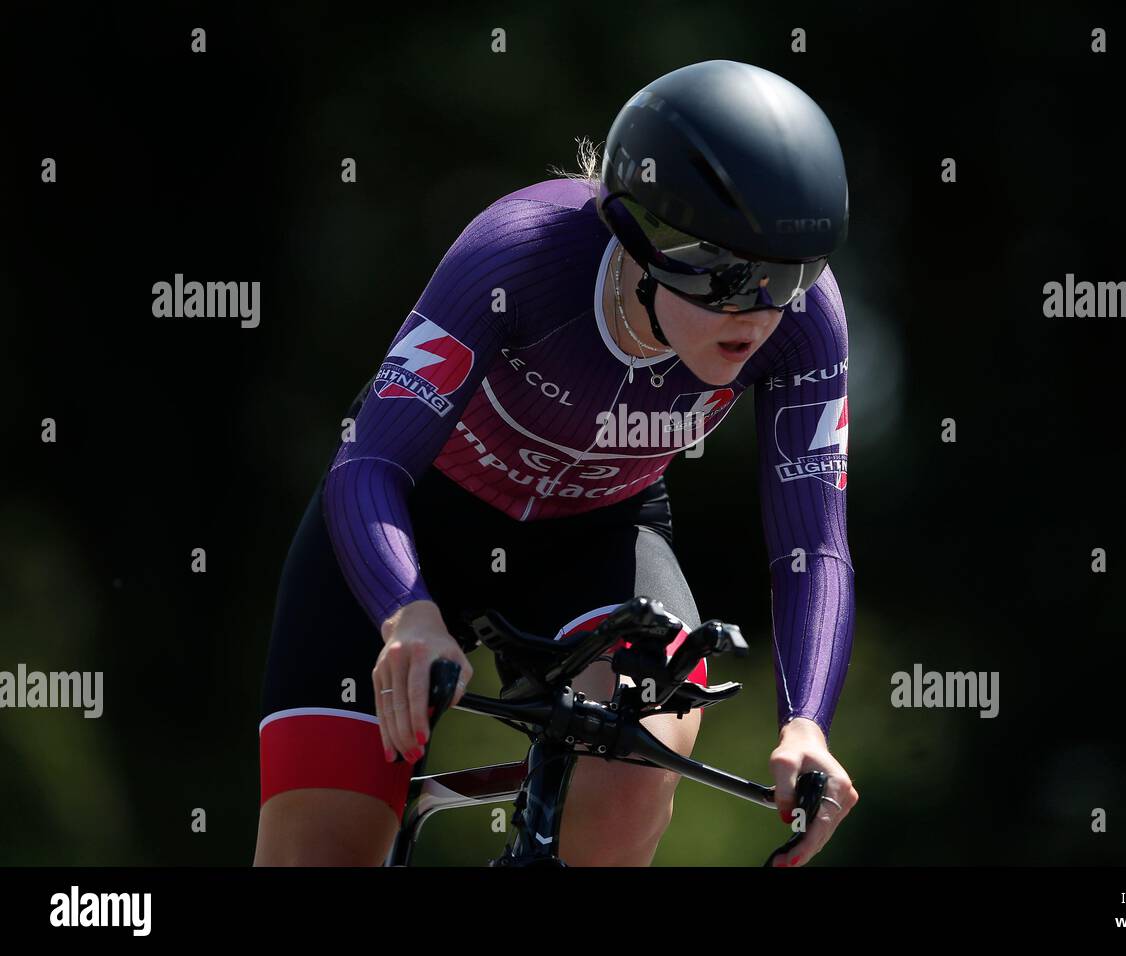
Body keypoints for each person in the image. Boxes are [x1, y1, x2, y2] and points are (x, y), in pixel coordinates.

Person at [255, 59, 858, 866]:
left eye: (790, 272)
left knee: (638, 761)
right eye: (724, 273)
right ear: (638, 235)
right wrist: (406, 616)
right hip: (412, 524)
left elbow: (811, 545)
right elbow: (369, 465)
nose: (758, 309)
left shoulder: (805, 321)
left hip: (596, 539)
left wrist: (806, 725)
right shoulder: (522, 254)